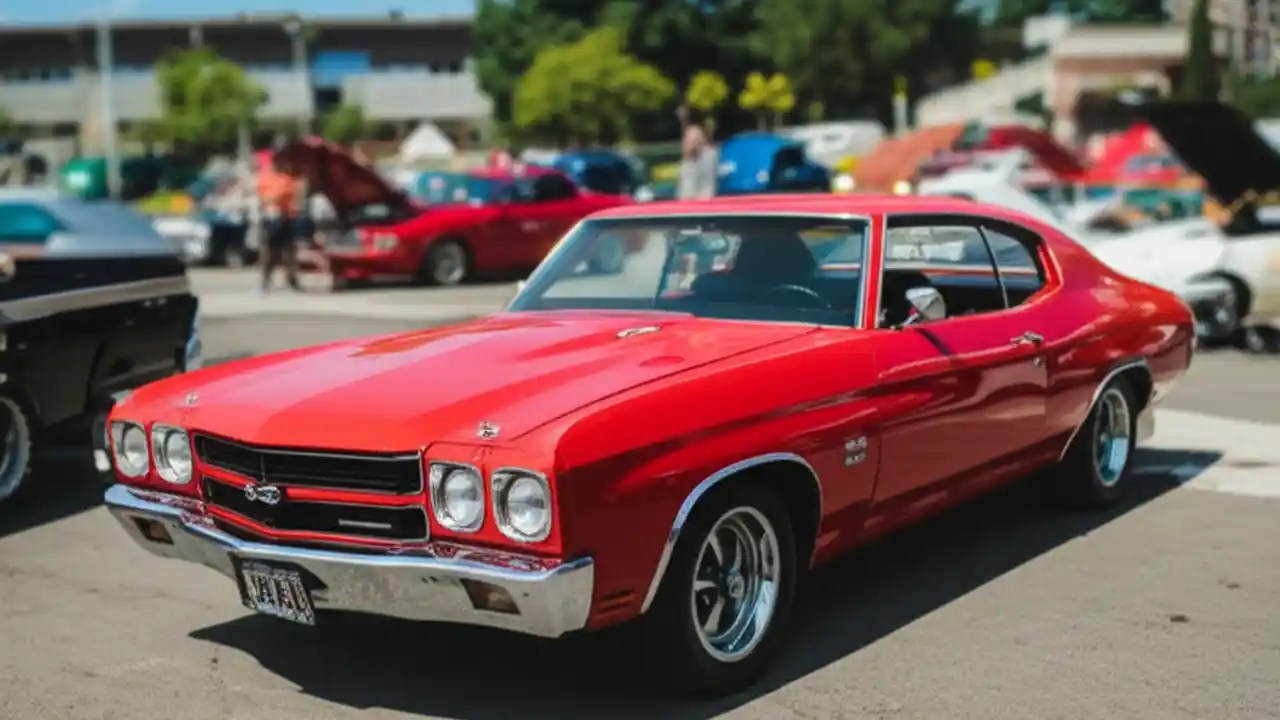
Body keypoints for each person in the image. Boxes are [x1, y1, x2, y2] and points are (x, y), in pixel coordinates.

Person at [257, 149, 303, 294]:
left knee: (288, 251)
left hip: (286, 218)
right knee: (270, 251)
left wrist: (273, 199)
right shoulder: (268, 177)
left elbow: (287, 195)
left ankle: (292, 280)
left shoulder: (289, 178)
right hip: (273, 218)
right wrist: (272, 199)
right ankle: (266, 282)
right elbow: (265, 196)